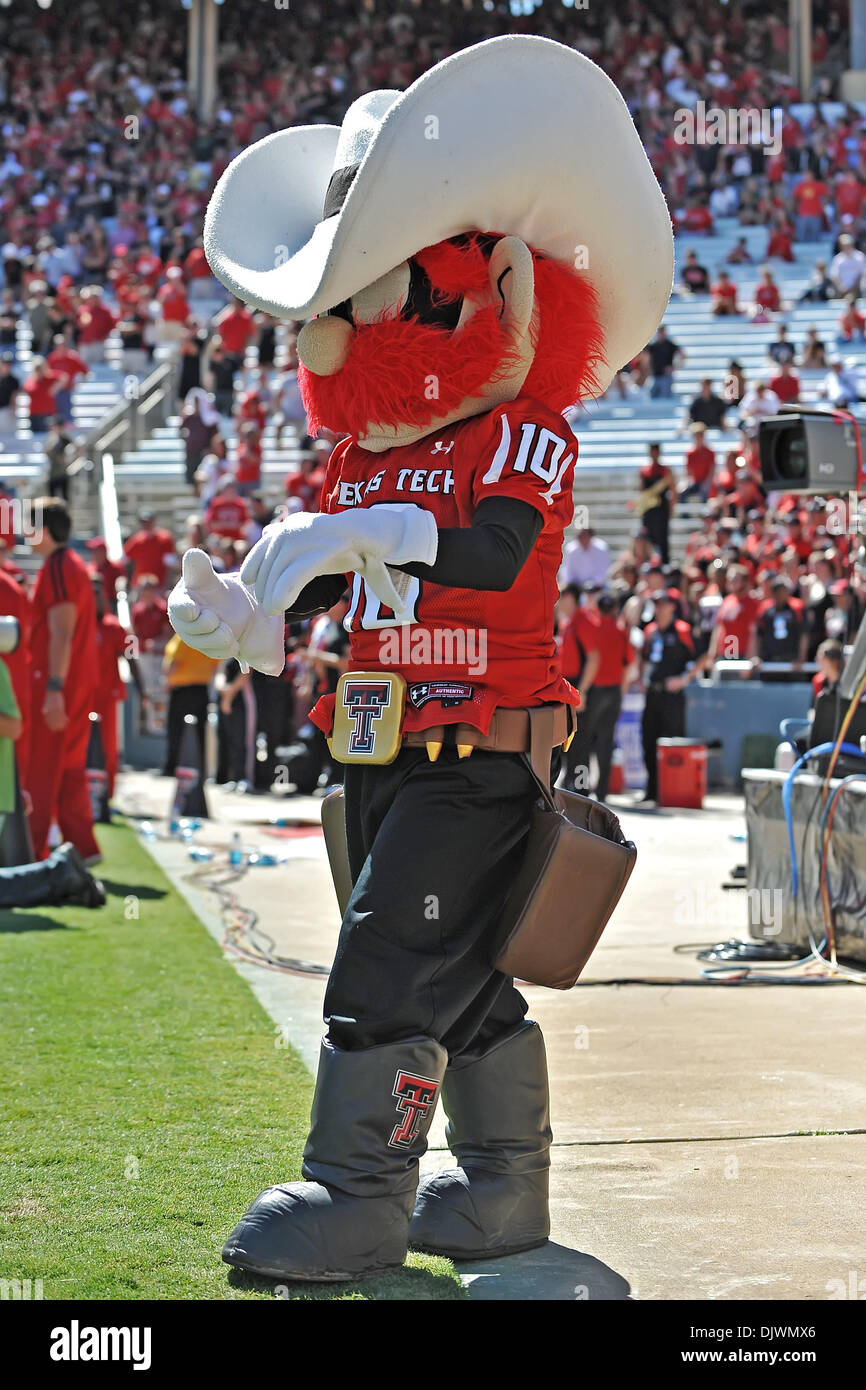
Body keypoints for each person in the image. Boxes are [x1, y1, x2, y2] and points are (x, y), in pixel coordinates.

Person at [168, 35, 672, 1283]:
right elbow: (331, 572)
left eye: (383, 297)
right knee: (461, 978)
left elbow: (495, 550)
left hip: (482, 753)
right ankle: (502, 1188)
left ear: (487, 284)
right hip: (375, 743)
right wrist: (247, 607)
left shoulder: (524, 430)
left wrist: (369, 530)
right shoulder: (369, 457)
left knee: (385, 968)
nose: (343, 342)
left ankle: (356, 1191)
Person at [23, 497, 100, 862]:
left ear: (46, 529)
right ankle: (82, 849)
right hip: (74, 680)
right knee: (70, 770)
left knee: (43, 768)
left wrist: (53, 688)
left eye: (31, 524)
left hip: (60, 683)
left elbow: (61, 631)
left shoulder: (59, 566)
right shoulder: (69, 564)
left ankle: (32, 854)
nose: (26, 532)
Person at [566, 590, 632, 801]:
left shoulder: (591, 626)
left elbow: (591, 659)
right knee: (606, 743)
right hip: (613, 690)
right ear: (613, 609)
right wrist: (621, 689)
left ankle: (581, 788)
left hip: (594, 691)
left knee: (582, 743)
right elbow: (628, 663)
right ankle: (602, 792)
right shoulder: (621, 630)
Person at [639, 591, 696, 803]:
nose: (659, 609)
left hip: (672, 696)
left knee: (671, 741)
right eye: (656, 604)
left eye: (663, 604)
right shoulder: (650, 631)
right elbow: (644, 658)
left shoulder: (683, 630)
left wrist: (684, 679)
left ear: (672, 607)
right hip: (652, 693)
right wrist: (641, 679)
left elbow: (699, 658)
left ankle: (672, 790)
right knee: (648, 741)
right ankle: (651, 791)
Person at [90, 574, 131, 798]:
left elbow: (131, 654)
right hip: (82, 696)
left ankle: (107, 796)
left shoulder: (113, 627)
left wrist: (142, 690)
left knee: (108, 748)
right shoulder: (76, 624)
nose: (93, 598)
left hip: (106, 696)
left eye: (96, 593)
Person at [162, 632, 218, 777]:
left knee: (177, 731)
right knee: (198, 731)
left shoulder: (185, 634)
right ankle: (197, 767)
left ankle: (174, 766)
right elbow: (214, 665)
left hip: (182, 690)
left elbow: (175, 662)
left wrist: (167, 683)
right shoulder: (210, 638)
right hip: (201, 690)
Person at [634, 442, 675, 565]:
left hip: (661, 509)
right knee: (647, 537)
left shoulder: (666, 470)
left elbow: (672, 489)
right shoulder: (644, 471)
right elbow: (642, 490)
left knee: (663, 538)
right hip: (649, 510)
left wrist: (672, 507)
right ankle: (648, 562)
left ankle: (664, 562)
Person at [124, 511, 177, 590]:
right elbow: (123, 561)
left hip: (159, 586)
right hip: (140, 586)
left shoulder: (164, 539)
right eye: (143, 522)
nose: (146, 525)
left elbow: (171, 565)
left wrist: (167, 586)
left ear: (154, 521)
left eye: (149, 521)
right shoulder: (136, 540)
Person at [680, 422, 715, 502]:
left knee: (707, 493)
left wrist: (707, 484)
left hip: (707, 483)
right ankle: (685, 514)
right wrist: (687, 482)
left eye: (700, 435)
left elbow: (711, 471)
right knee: (682, 492)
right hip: (695, 483)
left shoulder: (709, 452)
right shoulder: (690, 453)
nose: (698, 438)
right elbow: (687, 471)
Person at [645, 324, 682, 398]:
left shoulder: (670, 344)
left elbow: (683, 355)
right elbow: (646, 357)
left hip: (666, 377)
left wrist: (674, 367)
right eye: (660, 331)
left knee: (665, 398)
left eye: (663, 331)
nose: (661, 333)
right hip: (655, 376)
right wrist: (648, 369)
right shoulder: (653, 345)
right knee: (651, 397)